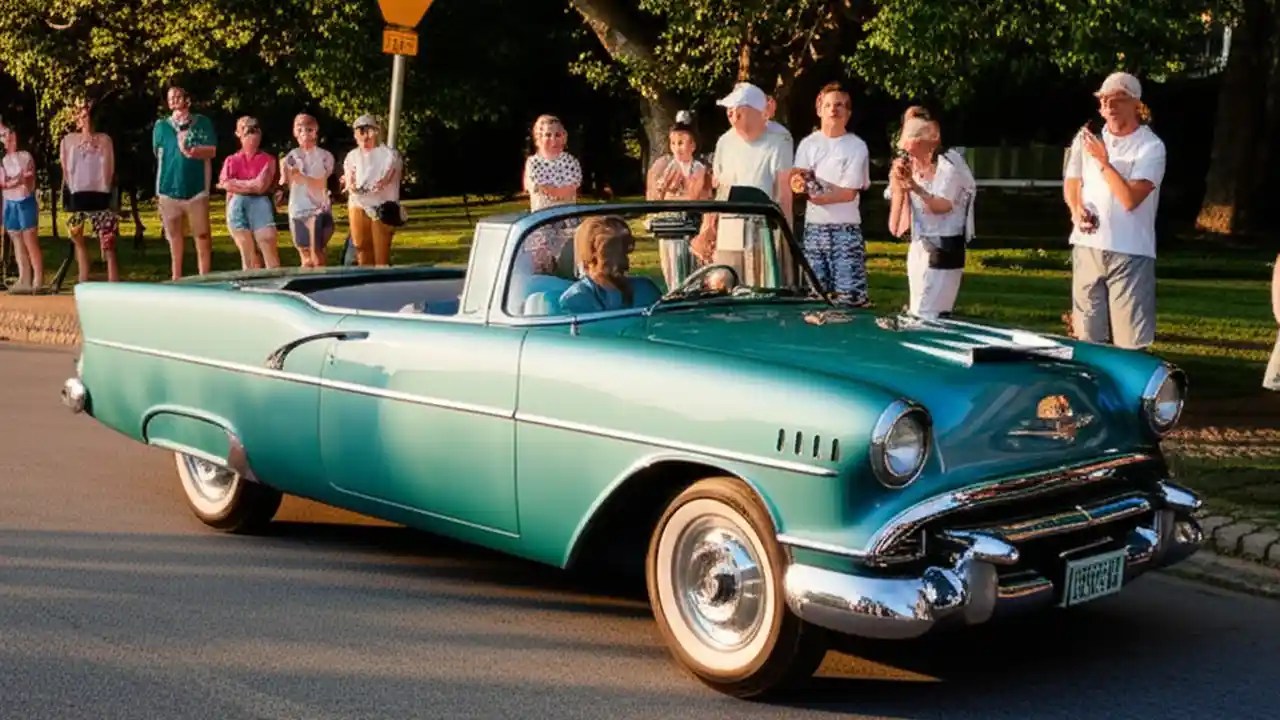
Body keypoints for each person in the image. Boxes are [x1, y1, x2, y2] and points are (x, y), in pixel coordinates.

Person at [1063, 71, 1166, 350]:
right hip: (1087, 246)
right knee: (1086, 336)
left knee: (1130, 340)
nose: (1109, 105)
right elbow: (1072, 181)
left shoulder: (1150, 146)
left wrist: (1105, 163)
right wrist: (1076, 209)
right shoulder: (1086, 138)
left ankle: (1132, 393)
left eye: (1118, 99)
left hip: (1130, 250)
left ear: (1136, 104)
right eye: (1104, 99)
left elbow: (1131, 199)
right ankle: (1091, 391)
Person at [694, 82, 795, 282]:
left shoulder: (780, 139)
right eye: (730, 109)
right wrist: (707, 228)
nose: (732, 113)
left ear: (757, 112)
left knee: (763, 288)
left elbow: (784, 192)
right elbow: (719, 189)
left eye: (740, 109)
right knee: (726, 285)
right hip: (729, 228)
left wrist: (787, 237)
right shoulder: (724, 141)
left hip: (763, 229)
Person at [887, 106, 977, 319]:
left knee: (931, 313)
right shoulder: (909, 166)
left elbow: (942, 206)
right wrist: (898, 184)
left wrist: (915, 188)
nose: (908, 152)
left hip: (944, 246)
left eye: (915, 141)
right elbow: (896, 226)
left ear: (931, 139)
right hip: (919, 246)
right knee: (917, 309)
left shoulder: (950, 164)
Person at [791, 82, 870, 305]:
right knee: (815, 297)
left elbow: (847, 193)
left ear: (848, 113)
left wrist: (816, 190)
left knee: (849, 297)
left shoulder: (856, 146)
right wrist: (809, 186)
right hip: (814, 229)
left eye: (839, 105)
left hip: (845, 229)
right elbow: (799, 181)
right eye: (828, 105)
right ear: (819, 110)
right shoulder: (808, 144)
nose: (833, 110)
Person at [153, 85, 217, 280]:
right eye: (171, 97)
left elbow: (212, 150)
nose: (174, 100)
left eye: (178, 96)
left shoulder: (201, 122)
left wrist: (193, 152)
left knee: (202, 234)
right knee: (174, 237)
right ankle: (176, 278)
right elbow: (159, 153)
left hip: (196, 189)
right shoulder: (161, 126)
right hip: (168, 189)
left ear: (187, 99)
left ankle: (205, 277)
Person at [645, 110, 709, 289]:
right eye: (673, 143)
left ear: (693, 145)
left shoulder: (697, 167)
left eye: (681, 143)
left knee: (691, 272)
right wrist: (662, 189)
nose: (676, 148)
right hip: (669, 227)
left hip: (690, 225)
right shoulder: (666, 165)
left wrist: (674, 192)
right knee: (671, 271)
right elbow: (656, 197)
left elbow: (694, 196)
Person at [60, 98, 119, 283]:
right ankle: (83, 279)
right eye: (79, 115)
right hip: (78, 193)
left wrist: (106, 189)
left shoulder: (104, 140)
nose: (82, 118)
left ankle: (113, 281)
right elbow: (65, 169)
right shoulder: (68, 140)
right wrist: (72, 189)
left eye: (86, 114)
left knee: (107, 239)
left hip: (99, 193)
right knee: (78, 237)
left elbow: (109, 167)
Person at [558, 215, 662, 314]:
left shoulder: (645, 290)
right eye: (607, 252)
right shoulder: (575, 299)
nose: (617, 260)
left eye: (621, 250)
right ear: (591, 257)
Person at [217, 116, 279, 270]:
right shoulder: (231, 160)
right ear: (238, 133)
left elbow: (261, 187)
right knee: (247, 255)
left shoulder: (267, 159)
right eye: (245, 128)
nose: (251, 131)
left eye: (255, 128)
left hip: (260, 205)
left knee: (267, 245)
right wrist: (251, 184)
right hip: (237, 207)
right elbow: (226, 184)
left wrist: (236, 184)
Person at [341, 114, 402, 267]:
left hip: (382, 205)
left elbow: (386, 177)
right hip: (359, 204)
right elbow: (350, 177)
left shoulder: (389, 154)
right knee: (361, 246)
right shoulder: (352, 156)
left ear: (376, 132)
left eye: (368, 131)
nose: (364, 136)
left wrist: (375, 186)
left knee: (380, 250)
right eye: (360, 131)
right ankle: (365, 279)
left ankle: (382, 279)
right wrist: (351, 185)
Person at [280, 113, 335, 267]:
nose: (304, 133)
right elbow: (288, 179)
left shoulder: (325, 156)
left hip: (318, 209)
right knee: (305, 254)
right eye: (300, 129)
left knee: (316, 251)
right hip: (298, 209)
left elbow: (320, 182)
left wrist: (301, 177)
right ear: (294, 132)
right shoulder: (292, 155)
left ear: (316, 131)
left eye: (309, 129)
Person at [1, 124, 42, 293]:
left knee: (29, 240)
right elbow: (4, 183)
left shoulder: (25, 156)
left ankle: (38, 278)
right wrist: (16, 180)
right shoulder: (3, 161)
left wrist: (15, 181)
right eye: (4, 136)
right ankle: (24, 277)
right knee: (16, 240)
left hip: (25, 200)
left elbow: (27, 178)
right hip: (10, 202)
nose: (8, 138)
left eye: (11, 134)